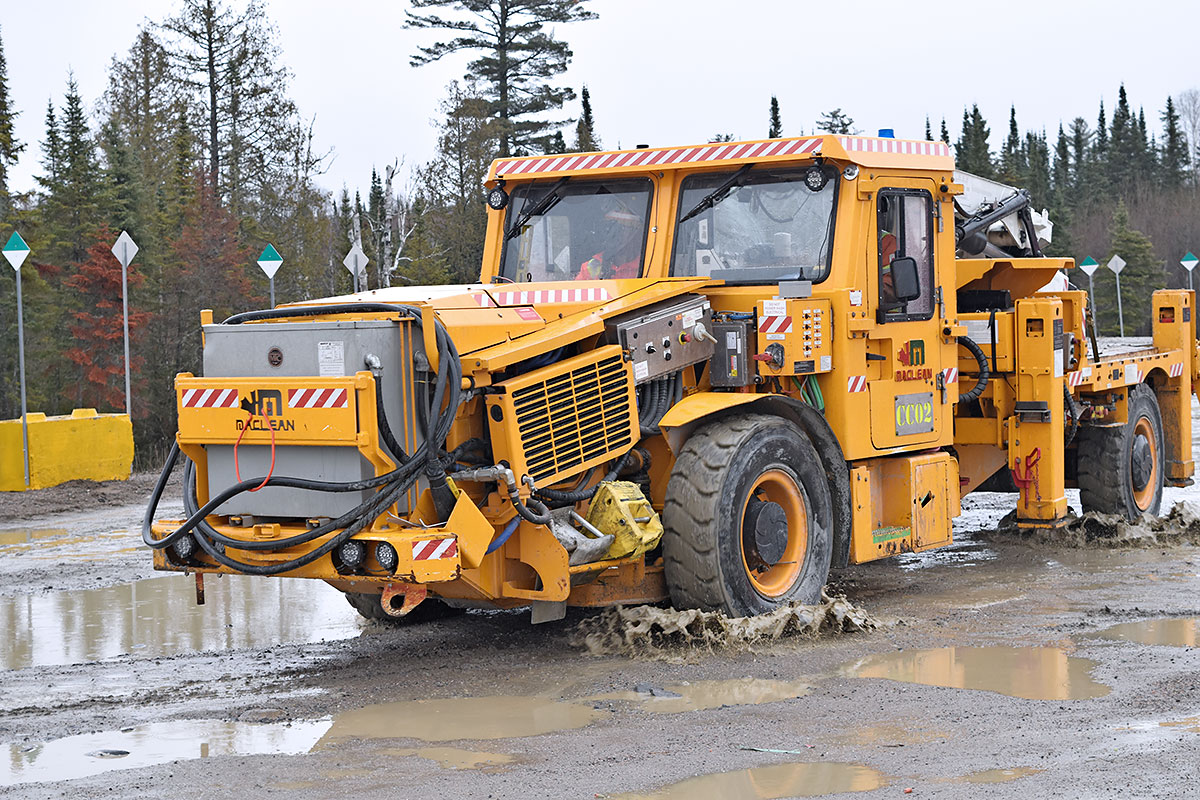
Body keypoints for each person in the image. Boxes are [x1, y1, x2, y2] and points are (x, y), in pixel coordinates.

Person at [576, 208, 643, 280]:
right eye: (612, 229)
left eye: (623, 228)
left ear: (635, 234)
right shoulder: (591, 267)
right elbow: (575, 289)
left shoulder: (645, 265)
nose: (615, 234)